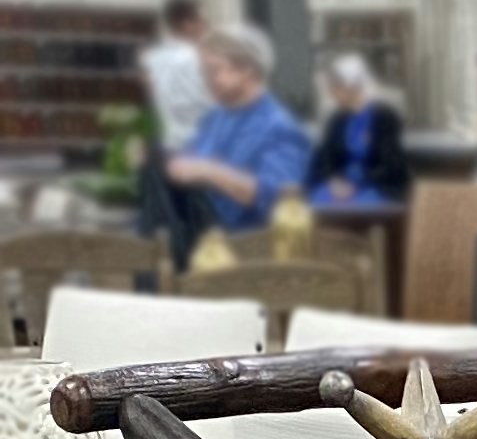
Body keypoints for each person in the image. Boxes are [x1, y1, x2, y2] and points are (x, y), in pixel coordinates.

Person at [141, 22, 312, 263]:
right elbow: (189, 166)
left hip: (244, 245)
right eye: (205, 72)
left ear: (247, 70)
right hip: (201, 234)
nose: (207, 80)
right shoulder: (216, 117)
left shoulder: (280, 128)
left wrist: (209, 171)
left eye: (214, 71)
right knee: (154, 165)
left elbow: (280, 200)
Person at [307, 54, 408, 206]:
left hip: (375, 187)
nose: (331, 93)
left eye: (335, 87)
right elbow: (326, 158)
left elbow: (390, 165)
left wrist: (355, 185)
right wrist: (334, 181)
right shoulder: (337, 119)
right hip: (339, 186)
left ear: (350, 87)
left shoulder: (385, 117)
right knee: (315, 203)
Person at [140, 0, 210, 153]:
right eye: (202, 20)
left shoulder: (151, 59)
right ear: (188, 24)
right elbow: (212, 105)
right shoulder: (198, 59)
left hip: (167, 146)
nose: (206, 25)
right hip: (201, 146)